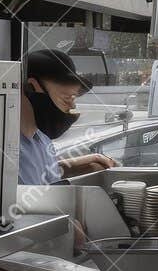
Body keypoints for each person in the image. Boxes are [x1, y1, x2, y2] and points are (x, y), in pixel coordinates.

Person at [18, 49, 117, 185]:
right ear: (32, 86)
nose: (73, 106)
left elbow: (47, 173)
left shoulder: (41, 138)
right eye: (66, 98)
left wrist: (90, 160)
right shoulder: (13, 149)